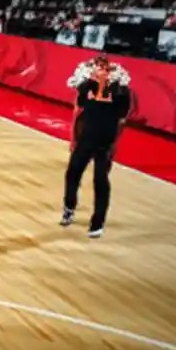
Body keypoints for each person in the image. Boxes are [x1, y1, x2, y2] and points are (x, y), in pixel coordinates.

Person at [62, 54, 131, 238]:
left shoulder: (121, 92)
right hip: (85, 140)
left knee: (100, 181)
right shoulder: (86, 87)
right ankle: (69, 207)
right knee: (72, 174)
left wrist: (114, 142)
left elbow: (122, 121)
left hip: (105, 143)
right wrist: (73, 139)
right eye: (97, 67)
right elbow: (78, 113)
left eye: (104, 68)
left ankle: (97, 223)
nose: (100, 70)